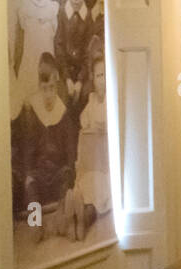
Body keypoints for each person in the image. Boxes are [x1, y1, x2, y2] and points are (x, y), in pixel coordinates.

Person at [18, 52, 81, 241]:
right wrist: (29, 172)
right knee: (31, 187)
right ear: (39, 87)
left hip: (57, 171)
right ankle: (36, 224)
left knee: (65, 181)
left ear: (57, 87)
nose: (48, 95)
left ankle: (63, 217)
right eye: (44, 89)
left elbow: (70, 147)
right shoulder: (35, 111)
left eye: (52, 88)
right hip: (40, 171)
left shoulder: (62, 112)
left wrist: (71, 170)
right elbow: (28, 146)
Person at [70, 48, 111, 241]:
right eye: (97, 75)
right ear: (93, 79)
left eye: (104, 74)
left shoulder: (111, 102)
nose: (101, 79)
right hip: (93, 163)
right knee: (86, 186)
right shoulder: (92, 100)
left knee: (100, 197)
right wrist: (87, 123)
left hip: (106, 166)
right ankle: (74, 214)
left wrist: (106, 126)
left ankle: (82, 220)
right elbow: (83, 118)